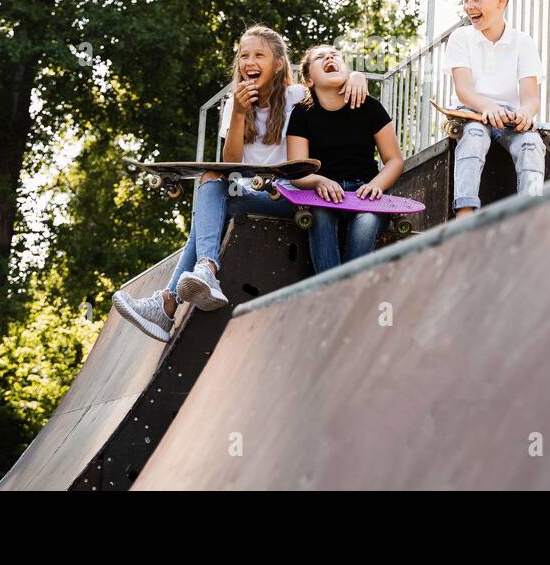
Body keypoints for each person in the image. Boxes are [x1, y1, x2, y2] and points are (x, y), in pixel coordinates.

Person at [111, 25, 368, 342]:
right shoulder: (234, 105)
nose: (249, 61)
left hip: (292, 195)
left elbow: (335, 91)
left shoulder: (297, 96)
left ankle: (168, 303)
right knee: (211, 182)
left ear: (276, 63)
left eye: (259, 55)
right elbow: (229, 160)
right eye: (244, 55)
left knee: (206, 214)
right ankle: (204, 270)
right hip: (249, 193)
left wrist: (358, 77)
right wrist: (239, 115)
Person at [285, 45, 404, 272]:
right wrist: (319, 181)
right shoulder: (301, 113)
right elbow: (296, 171)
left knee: (367, 222)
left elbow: (394, 160)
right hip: (322, 195)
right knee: (319, 214)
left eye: (335, 55)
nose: (330, 57)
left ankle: (346, 291)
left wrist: (375, 186)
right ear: (309, 80)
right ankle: (331, 289)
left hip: (365, 192)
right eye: (320, 57)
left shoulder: (371, 107)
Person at [444, 0, 545, 217]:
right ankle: (465, 213)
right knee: (475, 137)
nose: (469, 6)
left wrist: (525, 113)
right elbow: (464, 90)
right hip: (474, 112)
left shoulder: (523, 42)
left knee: (532, 144)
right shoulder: (461, 38)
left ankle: (529, 214)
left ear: (501, 0)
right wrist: (489, 108)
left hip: (509, 117)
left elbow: (532, 99)